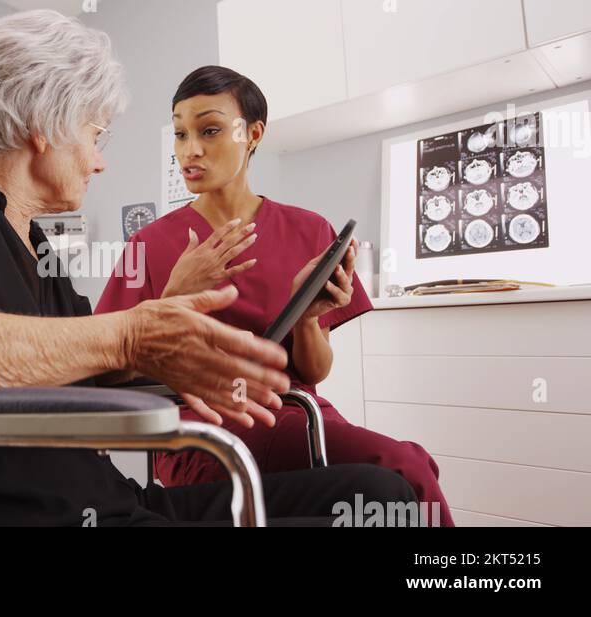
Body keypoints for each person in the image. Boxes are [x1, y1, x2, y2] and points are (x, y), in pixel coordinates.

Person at [0, 11, 417, 526]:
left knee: (382, 494)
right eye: (95, 134)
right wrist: (135, 333)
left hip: (111, 497)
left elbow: (88, 373)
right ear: (46, 122)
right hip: (18, 508)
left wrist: (163, 354)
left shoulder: (35, 246)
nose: (101, 160)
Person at [94, 65, 453, 526]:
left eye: (209, 130)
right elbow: (109, 374)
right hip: (205, 428)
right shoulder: (148, 245)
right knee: (402, 468)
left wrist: (306, 318)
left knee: (407, 474)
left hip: (297, 412)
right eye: (180, 135)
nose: (191, 150)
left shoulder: (309, 229)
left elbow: (315, 370)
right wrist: (173, 297)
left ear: (253, 133)